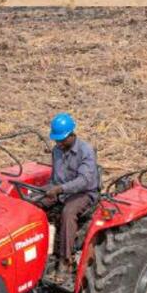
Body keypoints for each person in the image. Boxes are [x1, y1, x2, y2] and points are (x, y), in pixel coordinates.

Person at [42, 112, 100, 266]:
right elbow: (55, 178)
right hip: (61, 189)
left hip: (84, 193)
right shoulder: (57, 151)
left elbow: (84, 181)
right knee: (34, 201)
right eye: (56, 140)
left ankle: (65, 260)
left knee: (68, 213)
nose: (58, 143)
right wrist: (44, 192)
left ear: (71, 135)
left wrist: (59, 189)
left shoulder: (86, 151)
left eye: (61, 140)